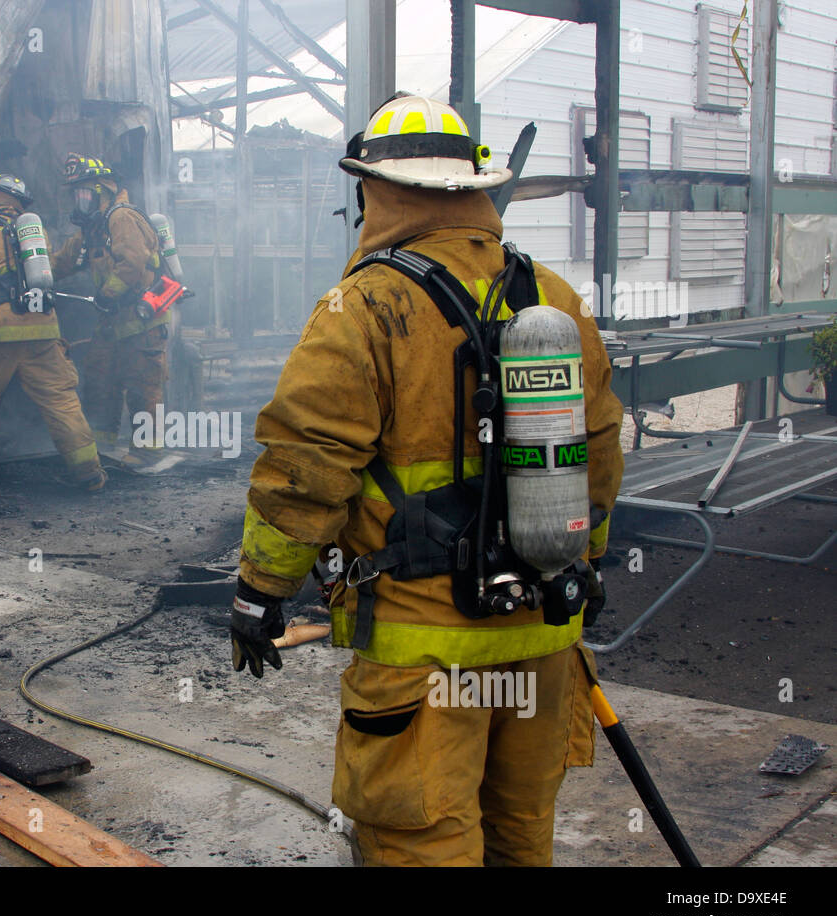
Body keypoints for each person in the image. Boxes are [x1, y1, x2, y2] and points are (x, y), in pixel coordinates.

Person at [228, 95, 625, 866]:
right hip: (543, 625)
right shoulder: (553, 297)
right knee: (519, 834)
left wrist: (259, 591)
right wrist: (589, 561)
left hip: (425, 648)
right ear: (472, 187)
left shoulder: (364, 305)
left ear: (372, 191)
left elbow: (306, 460)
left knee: (422, 842)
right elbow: (600, 448)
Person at [0, 173, 106, 491]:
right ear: (18, 204)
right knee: (61, 401)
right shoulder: (36, 232)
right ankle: (88, 472)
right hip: (43, 332)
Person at [51, 153, 165, 466]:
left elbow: (132, 261)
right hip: (112, 322)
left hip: (141, 320)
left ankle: (147, 452)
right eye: (77, 194)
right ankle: (103, 446)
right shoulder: (93, 229)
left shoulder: (121, 217)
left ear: (103, 190)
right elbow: (62, 261)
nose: (80, 200)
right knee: (102, 379)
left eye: (84, 193)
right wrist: (30, 271)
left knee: (142, 386)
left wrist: (108, 293)